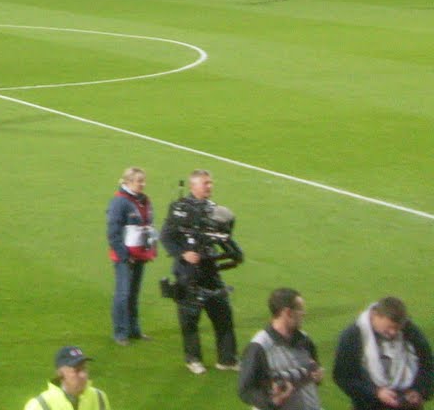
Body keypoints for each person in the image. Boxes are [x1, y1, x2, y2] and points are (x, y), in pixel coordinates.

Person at [160, 168, 241, 374]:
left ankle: (227, 359)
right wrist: (183, 253)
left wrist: (231, 251)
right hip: (187, 273)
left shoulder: (213, 209)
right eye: (205, 183)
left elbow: (222, 237)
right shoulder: (179, 209)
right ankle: (193, 359)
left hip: (210, 270)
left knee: (223, 315)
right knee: (189, 318)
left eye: (210, 183)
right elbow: (166, 237)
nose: (209, 187)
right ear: (193, 186)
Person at [333, 297, 433, 410]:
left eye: (397, 328)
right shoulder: (353, 335)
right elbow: (343, 376)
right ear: (376, 315)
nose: (393, 332)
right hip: (370, 406)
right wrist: (376, 392)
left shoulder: (409, 330)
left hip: (407, 406)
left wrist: (419, 390)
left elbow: (427, 362)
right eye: (390, 327)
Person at [237, 288, 324, 410]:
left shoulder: (304, 339)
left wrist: (318, 376)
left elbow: (314, 370)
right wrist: (272, 402)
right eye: (300, 309)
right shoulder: (259, 346)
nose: (304, 313)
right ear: (288, 313)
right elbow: (246, 390)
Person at [106, 166, 156, 345]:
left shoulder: (143, 200)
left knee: (133, 294)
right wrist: (124, 256)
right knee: (123, 294)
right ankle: (120, 333)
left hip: (140, 254)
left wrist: (150, 248)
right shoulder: (119, 202)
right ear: (127, 182)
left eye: (143, 180)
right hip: (125, 258)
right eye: (138, 181)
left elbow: (148, 225)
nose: (142, 184)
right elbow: (113, 233)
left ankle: (134, 330)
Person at [23, 346, 110, 410]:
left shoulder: (99, 397)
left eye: (84, 368)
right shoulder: (39, 406)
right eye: (77, 370)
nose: (83, 375)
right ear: (60, 374)